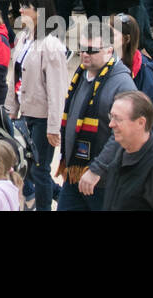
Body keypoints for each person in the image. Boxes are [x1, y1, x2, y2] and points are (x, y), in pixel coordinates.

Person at [58, 26, 136, 211]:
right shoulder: (81, 75)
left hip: (103, 182)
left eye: (92, 50)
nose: (85, 54)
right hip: (75, 174)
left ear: (109, 50)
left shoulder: (123, 84)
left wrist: (96, 170)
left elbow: (122, 134)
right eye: (82, 48)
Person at [6, 0, 67, 211]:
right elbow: (15, 77)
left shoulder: (52, 46)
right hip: (25, 113)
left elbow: (57, 90)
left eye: (26, 7)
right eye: (21, 5)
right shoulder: (23, 38)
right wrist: (10, 109)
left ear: (40, 12)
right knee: (27, 167)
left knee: (39, 169)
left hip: (42, 118)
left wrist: (53, 127)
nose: (21, 10)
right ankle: (60, 194)